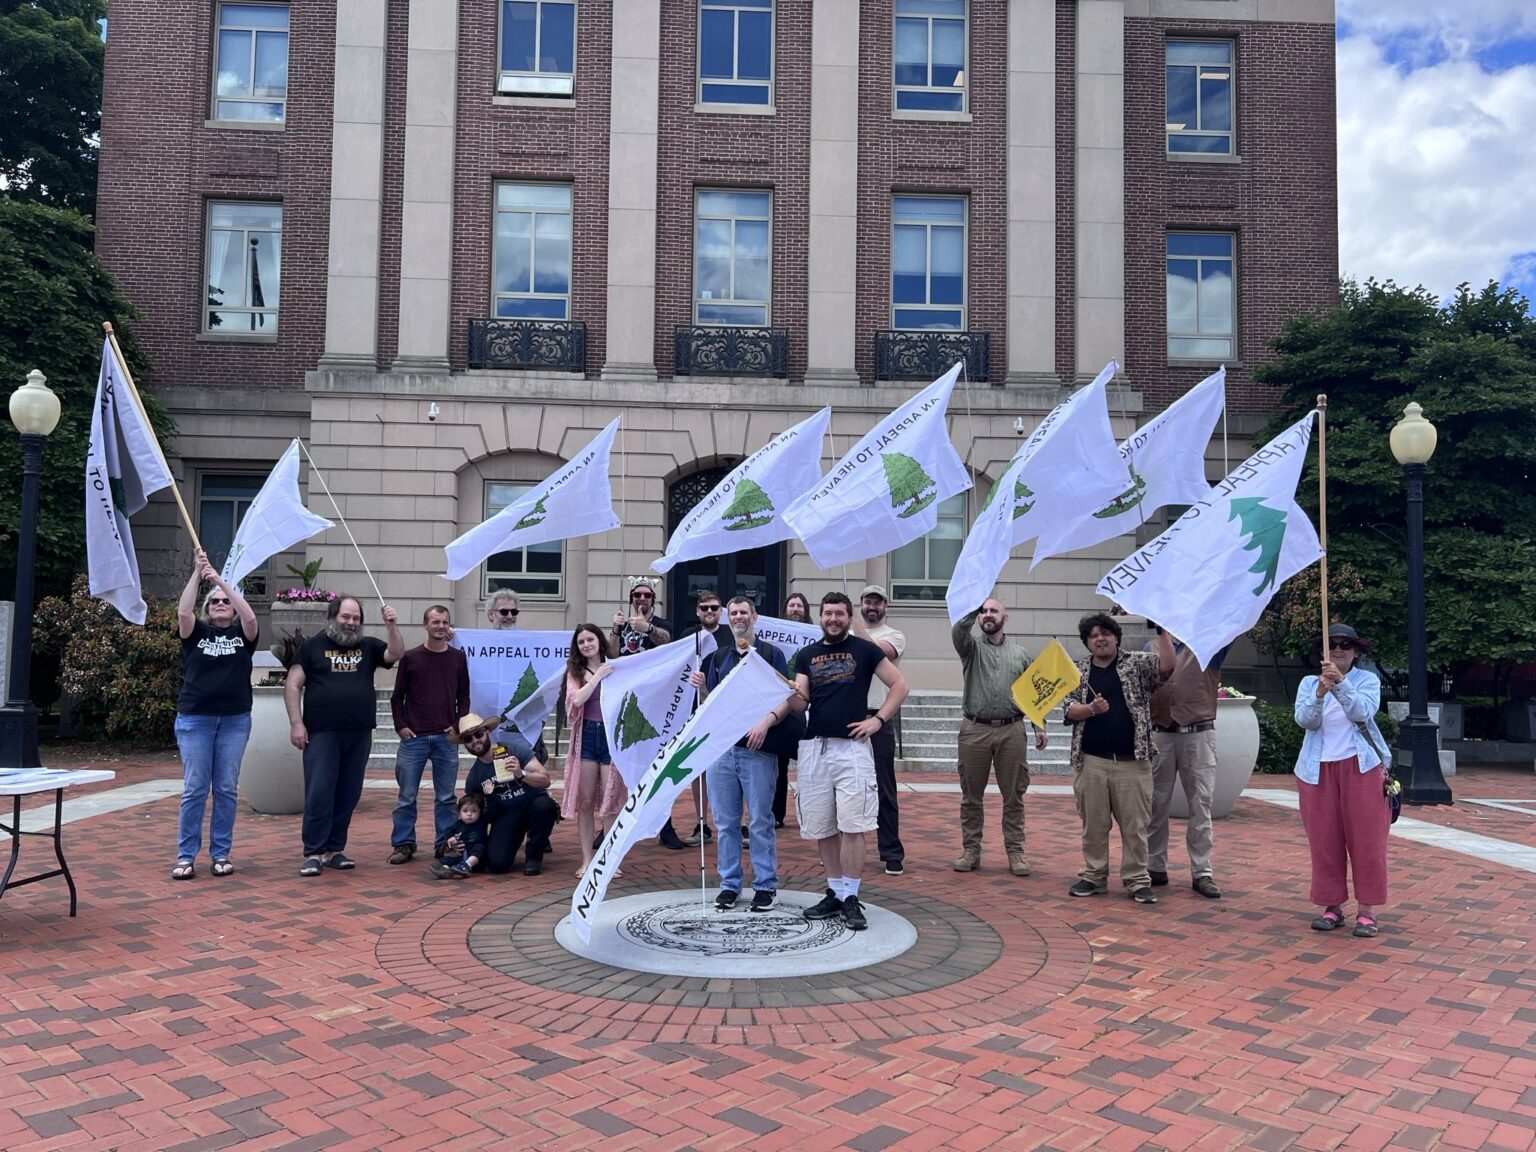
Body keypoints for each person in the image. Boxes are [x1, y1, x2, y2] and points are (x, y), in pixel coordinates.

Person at [791, 591, 909, 930]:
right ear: (821, 617)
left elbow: (900, 685)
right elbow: (801, 703)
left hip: (852, 749)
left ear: (848, 617)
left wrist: (879, 720)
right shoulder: (807, 655)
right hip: (815, 748)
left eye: (839, 614)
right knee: (823, 826)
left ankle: (853, 896)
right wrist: (789, 692)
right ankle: (836, 891)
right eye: (827, 613)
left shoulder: (866, 649)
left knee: (853, 825)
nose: (833, 619)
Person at [285, 594, 404, 876]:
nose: (351, 623)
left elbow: (396, 654)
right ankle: (313, 851)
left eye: (356, 619)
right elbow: (292, 685)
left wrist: (391, 626)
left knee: (348, 793)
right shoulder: (312, 647)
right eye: (346, 617)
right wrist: (296, 724)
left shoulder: (368, 646)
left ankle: (334, 849)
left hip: (359, 731)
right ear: (333, 617)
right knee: (320, 792)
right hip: (322, 733)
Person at [1060, 612, 1173, 904]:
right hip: (1092, 762)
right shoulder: (1078, 671)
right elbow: (1069, 710)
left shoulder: (1136, 664)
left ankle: (1137, 879)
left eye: (1106, 633)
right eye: (1093, 635)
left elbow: (1168, 666)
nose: (1100, 638)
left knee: (1135, 826)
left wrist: (1161, 628)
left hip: (1132, 762)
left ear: (1116, 637)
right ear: (1087, 642)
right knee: (1094, 824)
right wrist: (1092, 710)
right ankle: (1094, 876)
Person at [690, 596, 792, 912]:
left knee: (760, 820)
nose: (738, 617)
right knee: (725, 822)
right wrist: (703, 688)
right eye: (733, 613)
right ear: (727, 619)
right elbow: (713, 704)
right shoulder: (718, 657)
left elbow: (787, 696)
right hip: (723, 751)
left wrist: (766, 722)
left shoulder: (772, 654)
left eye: (743, 612)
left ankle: (765, 885)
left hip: (758, 751)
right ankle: (730, 885)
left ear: (754, 617)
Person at [1294, 624, 1392, 938]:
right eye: (1332, 645)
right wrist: (1320, 693)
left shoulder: (1367, 680)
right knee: (1324, 841)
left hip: (1361, 768)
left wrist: (1340, 684)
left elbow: (1363, 712)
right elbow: (1305, 721)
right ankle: (1331, 906)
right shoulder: (1309, 683)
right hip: (1317, 771)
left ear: (1356, 652)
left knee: (1367, 841)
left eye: (1345, 645)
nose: (1338, 650)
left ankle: (1367, 911)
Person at [171, 548, 259, 880]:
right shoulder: (196, 634)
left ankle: (220, 854)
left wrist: (221, 580)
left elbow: (250, 619)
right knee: (195, 788)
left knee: (225, 787)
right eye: (214, 602)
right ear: (207, 610)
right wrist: (198, 572)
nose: (221, 604)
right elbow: (182, 612)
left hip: (235, 720)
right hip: (196, 720)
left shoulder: (242, 635)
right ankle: (185, 856)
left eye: (226, 601)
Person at [950, 598, 1048, 876]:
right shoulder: (970, 649)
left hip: (1011, 730)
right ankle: (971, 850)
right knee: (971, 796)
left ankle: (1015, 852)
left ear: (1005, 618)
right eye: (984, 611)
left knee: (1014, 795)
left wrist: (1039, 726)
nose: (988, 615)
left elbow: (1035, 693)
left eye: (994, 611)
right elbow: (958, 632)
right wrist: (972, 605)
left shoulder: (1020, 654)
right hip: (975, 730)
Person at [1146, 632, 1229, 899]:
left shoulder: (1209, 644)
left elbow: (1232, 626)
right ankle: (1154, 866)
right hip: (1161, 732)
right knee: (1155, 802)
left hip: (1198, 733)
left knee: (1200, 803)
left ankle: (1202, 872)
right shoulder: (1151, 646)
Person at [387, 604, 470, 865]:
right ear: (425, 625)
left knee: (446, 798)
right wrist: (400, 726)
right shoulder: (411, 658)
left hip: (446, 739)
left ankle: (445, 843)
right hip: (414, 739)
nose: (440, 627)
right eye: (435, 622)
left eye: (445, 622)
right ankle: (403, 844)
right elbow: (397, 696)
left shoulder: (457, 657)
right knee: (406, 797)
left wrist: (459, 724)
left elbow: (464, 695)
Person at [456, 713, 559, 874]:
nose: (475, 741)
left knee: (545, 806)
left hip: (531, 804)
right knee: (497, 864)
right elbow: (478, 817)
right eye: (468, 739)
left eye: (478, 734)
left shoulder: (513, 750)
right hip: (506, 816)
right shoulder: (474, 778)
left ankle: (534, 855)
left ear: (487, 732)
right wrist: (468, 845)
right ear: (465, 744)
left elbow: (545, 779)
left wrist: (520, 773)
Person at [563, 623, 627, 875]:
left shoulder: (616, 665)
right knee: (587, 801)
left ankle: (611, 860)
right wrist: (597, 677)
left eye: (590, 639)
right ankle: (587, 859)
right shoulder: (575, 672)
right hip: (587, 736)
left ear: (600, 641)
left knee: (611, 802)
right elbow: (576, 700)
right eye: (581, 642)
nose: (587, 644)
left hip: (611, 737)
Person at [852, 585, 906, 876]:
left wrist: (854, 625)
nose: (872, 606)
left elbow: (874, 654)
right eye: (867, 602)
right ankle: (843, 847)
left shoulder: (894, 636)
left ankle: (891, 852)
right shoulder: (843, 634)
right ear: (860, 604)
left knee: (884, 788)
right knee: (846, 787)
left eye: (877, 602)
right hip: (848, 718)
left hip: (878, 718)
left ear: (885, 606)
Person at [485, 587, 549, 763]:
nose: (510, 615)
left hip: (526, 724)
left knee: (529, 771)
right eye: (504, 611)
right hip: (491, 725)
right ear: (491, 615)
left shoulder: (528, 643)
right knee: (500, 772)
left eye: (514, 611)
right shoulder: (478, 644)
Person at [773, 591, 813, 828]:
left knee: (808, 765)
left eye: (799, 605)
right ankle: (777, 814)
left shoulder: (817, 636)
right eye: (792, 605)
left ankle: (809, 812)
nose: (795, 609)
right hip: (781, 705)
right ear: (785, 610)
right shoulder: (774, 636)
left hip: (807, 706)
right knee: (779, 764)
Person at [429, 792, 489, 879]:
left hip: (475, 859)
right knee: (451, 857)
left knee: (480, 848)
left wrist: (488, 794)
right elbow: (448, 831)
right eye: (465, 811)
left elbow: (488, 810)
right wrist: (450, 838)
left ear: (480, 812)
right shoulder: (458, 824)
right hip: (461, 853)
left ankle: (467, 865)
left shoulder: (481, 822)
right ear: (459, 812)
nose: (469, 814)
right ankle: (445, 870)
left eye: (474, 811)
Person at [609, 575, 671, 656]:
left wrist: (648, 628)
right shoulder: (623, 626)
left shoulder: (662, 624)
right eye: (637, 595)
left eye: (647, 595)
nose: (642, 598)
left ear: (652, 600)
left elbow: (665, 640)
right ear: (631, 599)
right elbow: (611, 656)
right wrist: (615, 630)